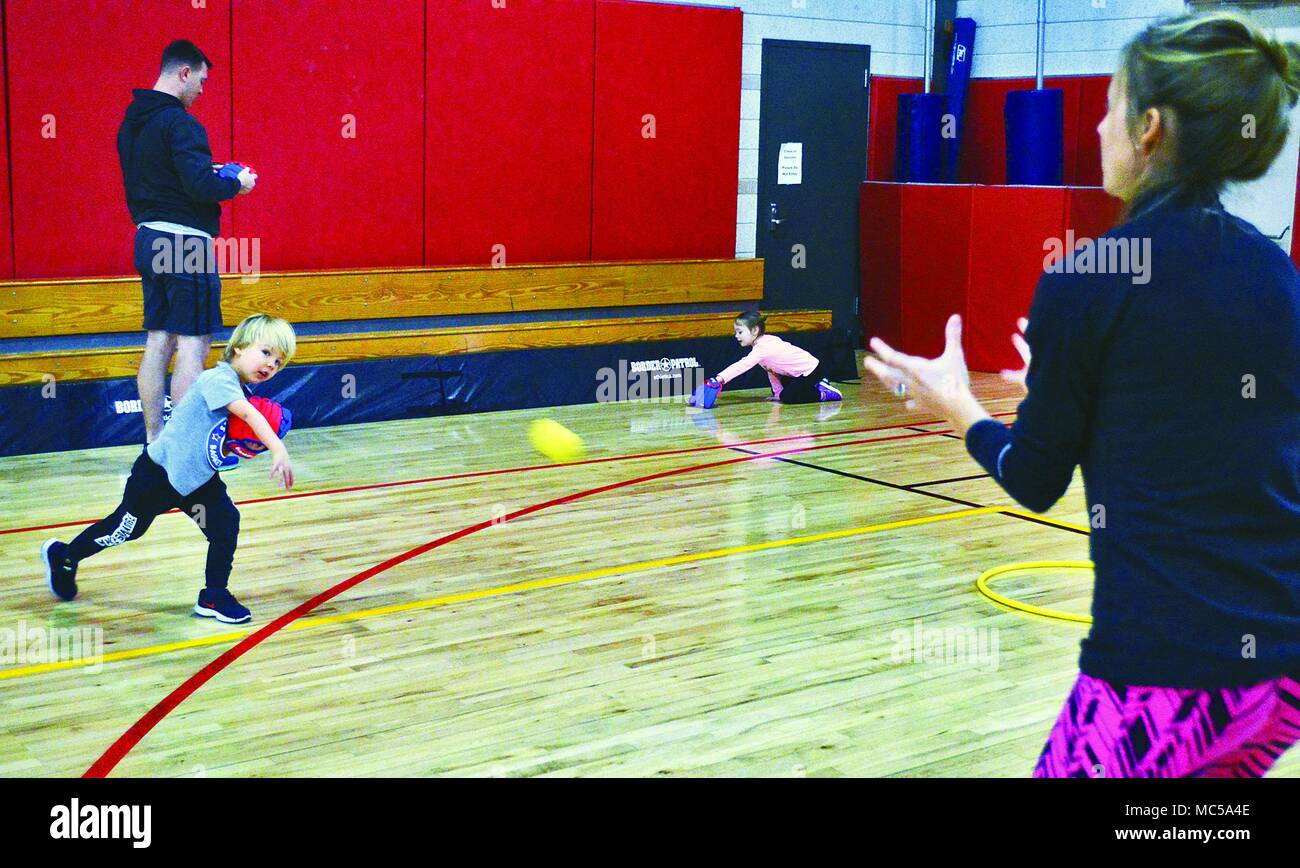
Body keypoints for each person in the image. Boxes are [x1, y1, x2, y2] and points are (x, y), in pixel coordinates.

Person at [865, 10, 1300, 777]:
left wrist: (959, 404)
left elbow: (1035, 480)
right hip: (1279, 674)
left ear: (1151, 129)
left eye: (1110, 104)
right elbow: (1208, 424)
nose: (1098, 125)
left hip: (1166, 675)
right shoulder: (1274, 273)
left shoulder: (1089, 278)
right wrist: (1092, 393)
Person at [40, 314, 297, 625]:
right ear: (239, 348)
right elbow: (246, 412)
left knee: (225, 523)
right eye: (266, 352)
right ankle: (64, 557)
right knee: (125, 530)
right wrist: (277, 447)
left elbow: (218, 439)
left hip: (196, 482)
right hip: (157, 476)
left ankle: (214, 595)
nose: (271, 364)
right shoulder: (219, 380)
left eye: (279, 362)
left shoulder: (243, 391)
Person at [117, 39, 258, 444]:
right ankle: (185, 445)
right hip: (184, 246)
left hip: (147, 240)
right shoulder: (181, 123)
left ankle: (155, 440)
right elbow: (198, 186)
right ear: (184, 72)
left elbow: (166, 177)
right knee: (193, 342)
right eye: (201, 79)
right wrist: (236, 182)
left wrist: (210, 172)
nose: (202, 89)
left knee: (159, 339)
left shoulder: (133, 123)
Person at [711, 310, 843, 405]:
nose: (736, 336)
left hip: (812, 370)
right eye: (736, 332)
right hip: (796, 374)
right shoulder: (759, 347)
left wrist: (720, 379)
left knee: (789, 397)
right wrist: (777, 393)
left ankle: (823, 393)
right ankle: (818, 384)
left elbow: (741, 366)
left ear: (755, 330)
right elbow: (772, 371)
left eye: (740, 332)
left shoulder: (763, 348)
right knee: (783, 394)